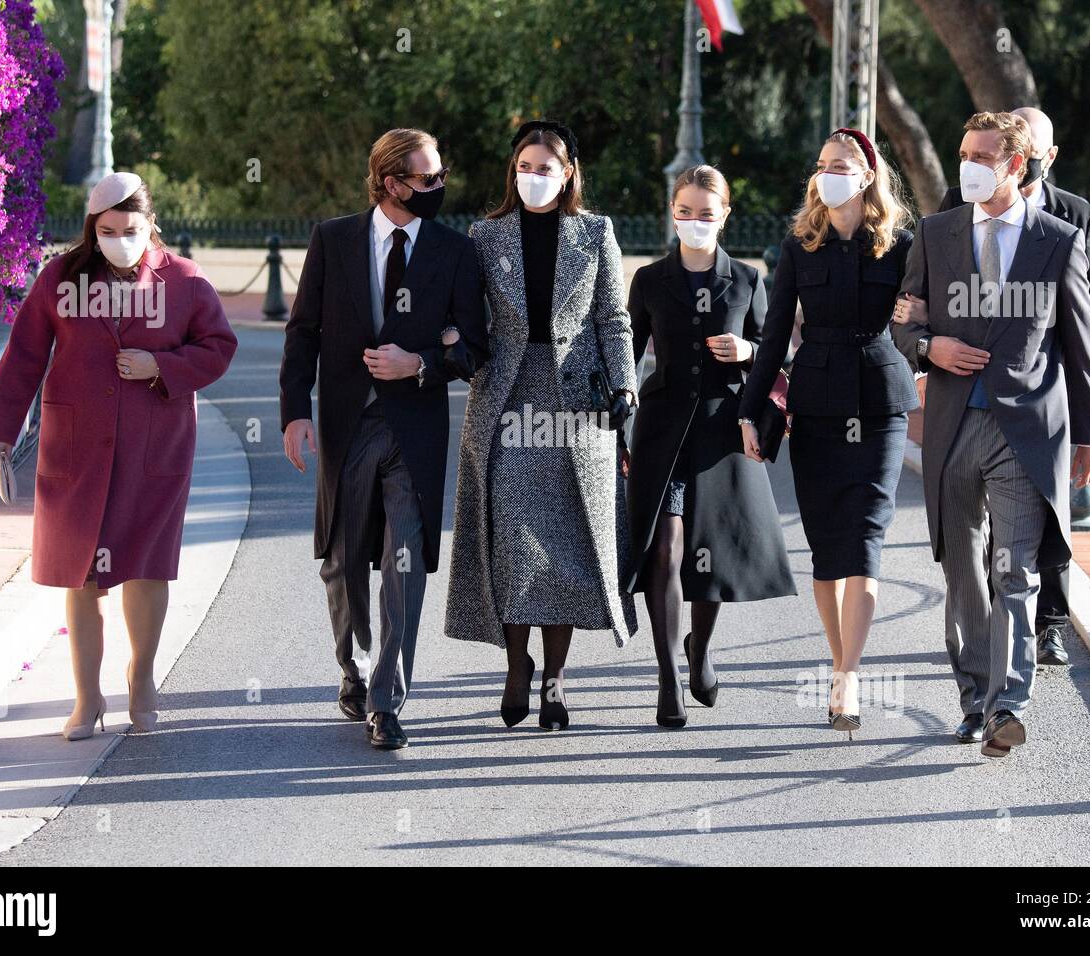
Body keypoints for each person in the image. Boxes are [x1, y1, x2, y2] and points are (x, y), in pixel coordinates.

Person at [0, 172, 237, 741]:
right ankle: (87, 697)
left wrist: (161, 366)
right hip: (77, 451)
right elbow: (22, 358)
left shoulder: (185, 281)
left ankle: (141, 679)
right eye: (109, 230)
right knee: (82, 576)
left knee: (145, 566)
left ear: (151, 226)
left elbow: (219, 347)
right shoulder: (58, 280)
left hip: (153, 450)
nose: (121, 239)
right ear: (92, 230)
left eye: (132, 229)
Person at [891, 112, 1090, 757]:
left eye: (982, 156)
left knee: (1015, 570)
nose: (969, 166)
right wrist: (932, 348)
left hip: (1026, 430)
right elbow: (901, 322)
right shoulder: (934, 233)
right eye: (964, 153)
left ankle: (1008, 703)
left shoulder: (1059, 241)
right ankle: (974, 699)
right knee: (963, 572)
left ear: (1016, 165)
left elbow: (1081, 342)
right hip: (953, 427)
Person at [279, 128, 487, 751]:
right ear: (392, 182)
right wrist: (295, 413)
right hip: (347, 428)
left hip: (414, 433)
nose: (439, 188)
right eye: (428, 179)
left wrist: (421, 363)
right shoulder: (333, 239)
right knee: (343, 563)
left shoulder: (455, 251)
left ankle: (387, 699)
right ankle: (354, 666)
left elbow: (475, 351)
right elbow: (302, 333)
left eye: (442, 176)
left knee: (404, 563)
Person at [445, 120, 638, 731]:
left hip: (576, 402)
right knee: (510, 543)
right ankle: (516, 664)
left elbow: (613, 318)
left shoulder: (595, 233)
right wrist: (451, 342)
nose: (533, 177)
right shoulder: (485, 235)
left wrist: (625, 383)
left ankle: (555, 679)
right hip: (506, 397)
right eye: (524, 167)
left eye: (545, 167)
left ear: (568, 173)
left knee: (568, 549)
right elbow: (467, 317)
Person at [738, 129, 919, 736]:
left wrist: (919, 320)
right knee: (826, 543)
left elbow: (929, 315)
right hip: (814, 402)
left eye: (839, 166)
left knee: (866, 532)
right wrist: (750, 406)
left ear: (867, 175)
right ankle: (839, 660)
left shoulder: (902, 244)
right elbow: (773, 335)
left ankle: (848, 674)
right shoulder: (798, 245)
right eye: (821, 165)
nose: (826, 175)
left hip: (879, 400)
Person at [625, 164, 795, 729]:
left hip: (724, 431)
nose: (694, 221)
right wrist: (614, 417)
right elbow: (626, 352)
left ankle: (700, 649)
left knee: (712, 551)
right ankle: (668, 675)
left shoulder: (747, 279)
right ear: (673, 213)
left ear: (725, 215)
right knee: (667, 550)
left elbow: (776, 353)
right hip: (663, 430)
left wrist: (747, 351)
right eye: (685, 211)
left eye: (706, 212)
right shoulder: (649, 280)